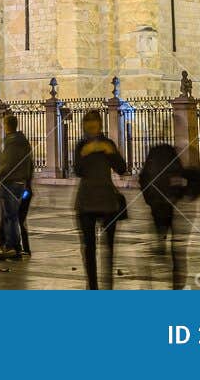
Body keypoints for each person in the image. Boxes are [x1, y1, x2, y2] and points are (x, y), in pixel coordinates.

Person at [139, 139, 200, 290]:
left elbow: (144, 179)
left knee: (172, 249)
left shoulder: (164, 153)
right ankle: (176, 284)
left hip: (167, 207)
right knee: (177, 252)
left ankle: (169, 280)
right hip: (171, 206)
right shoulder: (168, 153)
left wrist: (151, 200)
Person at [73, 109, 127, 290]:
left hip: (107, 201)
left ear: (100, 126)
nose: (91, 130)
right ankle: (93, 286)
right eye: (88, 127)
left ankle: (108, 285)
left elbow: (121, 168)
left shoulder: (108, 144)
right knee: (89, 248)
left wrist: (110, 152)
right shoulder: (81, 145)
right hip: (86, 202)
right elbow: (78, 170)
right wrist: (85, 153)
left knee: (109, 248)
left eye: (94, 126)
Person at [0, 112, 34, 262]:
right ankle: (17, 247)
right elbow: (29, 163)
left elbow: (6, 163)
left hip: (10, 183)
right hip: (21, 182)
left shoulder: (11, 142)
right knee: (14, 216)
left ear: (6, 126)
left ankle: (12, 247)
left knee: (10, 217)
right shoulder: (24, 141)